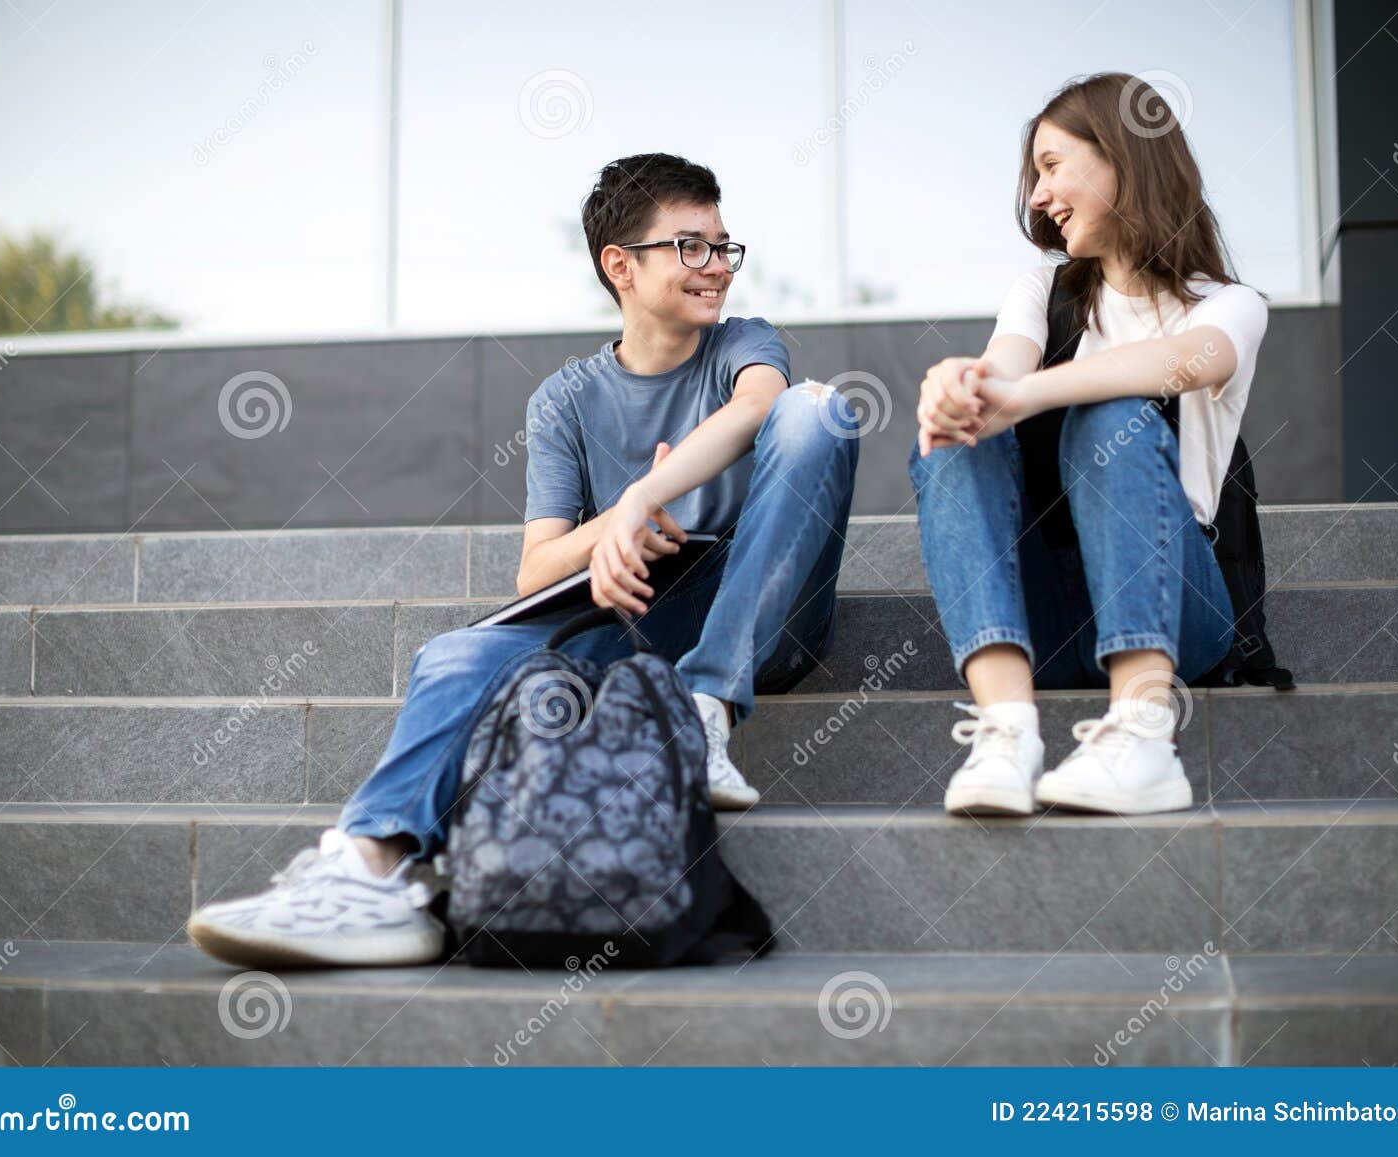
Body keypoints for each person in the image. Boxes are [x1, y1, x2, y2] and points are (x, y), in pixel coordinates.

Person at [189, 153, 860, 968]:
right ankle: (369, 872)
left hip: (763, 610)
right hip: (644, 611)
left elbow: (759, 409)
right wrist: (617, 530)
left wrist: (644, 496)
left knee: (816, 411)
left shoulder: (744, 344)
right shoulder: (565, 399)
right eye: (691, 246)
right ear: (621, 265)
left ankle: (708, 707)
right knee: (458, 653)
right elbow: (537, 569)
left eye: (723, 246)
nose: (717, 265)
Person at [910, 72, 1266, 817]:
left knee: (1110, 415)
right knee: (957, 436)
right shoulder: (1042, 290)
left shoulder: (1229, 305)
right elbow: (1003, 366)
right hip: (1048, 615)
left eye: (1051, 165)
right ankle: (1007, 733)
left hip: (1179, 608)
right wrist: (961, 388)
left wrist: (1031, 393)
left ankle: (1142, 731)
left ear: (1123, 158)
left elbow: (1182, 360)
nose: (1038, 196)